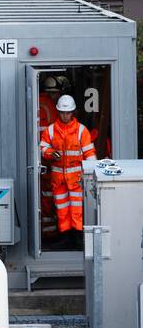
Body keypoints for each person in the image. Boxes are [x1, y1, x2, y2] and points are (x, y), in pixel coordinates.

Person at [40, 95, 97, 235]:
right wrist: (51, 153)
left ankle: (77, 238)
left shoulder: (81, 131)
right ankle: (66, 237)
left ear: (73, 112)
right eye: (62, 112)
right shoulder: (51, 130)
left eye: (68, 112)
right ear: (58, 112)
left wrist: (91, 178)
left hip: (77, 180)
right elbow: (42, 148)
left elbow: (90, 155)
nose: (65, 116)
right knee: (62, 210)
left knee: (77, 210)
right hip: (59, 181)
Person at [36, 76, 63, 240]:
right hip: (47, 158)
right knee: (48, 195)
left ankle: (45, 230)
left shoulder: (36, 102)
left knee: (42, 194)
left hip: (37, 156)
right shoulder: (50, 107)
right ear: (54, 93)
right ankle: (50, 233)